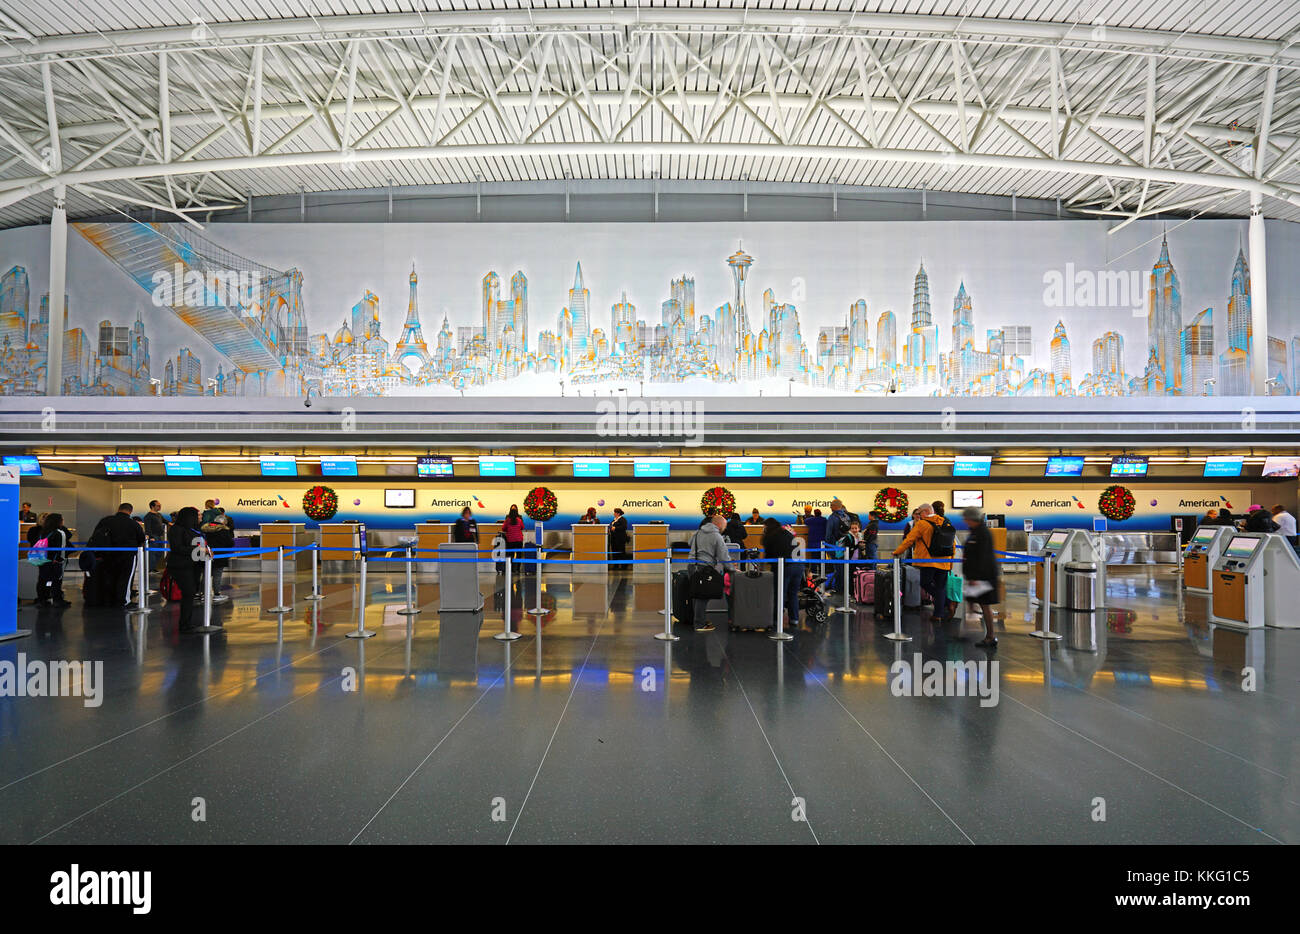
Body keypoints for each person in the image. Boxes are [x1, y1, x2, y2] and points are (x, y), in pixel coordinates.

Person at [891, 504, 951, 622]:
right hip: (944, 561)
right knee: (940, 587)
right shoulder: (945, 522)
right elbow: (952, 543)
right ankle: (939, 613)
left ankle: (946, 603)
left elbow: (909, 540)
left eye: (919, 513)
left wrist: (897, 552)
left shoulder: (922, 524)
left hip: (928, 561)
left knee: (925, 583)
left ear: (925, 512)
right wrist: (950, 562)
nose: (918, 515)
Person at [959, 507, 1000, 648]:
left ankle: (990, 637)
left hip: (983, 576)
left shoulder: (983, 533)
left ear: (971, 518)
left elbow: (983, 557)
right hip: (975, 576)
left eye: (966, 518)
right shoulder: (975, 532)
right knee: (971, 600)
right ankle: (968, 631)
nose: (964, 521)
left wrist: (976, 577)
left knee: (985, 605)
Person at [687, 513, 732, 633]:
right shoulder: (717, 536)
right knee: (703, 596)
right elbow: (724, 556)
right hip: (704, 568)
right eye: (724, 526)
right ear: (719, 525)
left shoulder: (698, 532)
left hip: (692, 566)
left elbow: (689, 543)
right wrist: (732, 569)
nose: (724, 529)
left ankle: (697, 620)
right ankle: (699, 624)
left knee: (696, 594)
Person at [167, 507, 205, 632]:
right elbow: (178, 548)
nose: (200, 517)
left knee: (190, 593)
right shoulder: (177, 530)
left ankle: (186, 623)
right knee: (188, 592)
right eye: (197, 515)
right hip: (181, 566)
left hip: (192, 565)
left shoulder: (193, 530)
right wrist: (198, 550)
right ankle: (184, 625)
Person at [100, 502, 146, 607]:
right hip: (128, 555)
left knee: (109, 576)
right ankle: (123, 601)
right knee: (125, 578)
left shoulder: (106, 521)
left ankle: (108, 599)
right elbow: (141, 538)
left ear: (118, 509)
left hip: (108, 554)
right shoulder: (133, 524)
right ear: (130, 511)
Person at [761, 517, 801, 627]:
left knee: (779, 594)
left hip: (784, 567)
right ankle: (794, 619)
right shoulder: (786, 533)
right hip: (798, 566)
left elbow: (768, 555)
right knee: (793, 594)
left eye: (764, 527)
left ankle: (776, 621)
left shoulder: (770, 537)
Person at [34, 513, 71, 607]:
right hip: (55, 561)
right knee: (56, 580)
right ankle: (57, 600)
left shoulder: (43, 532)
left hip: (42, 559)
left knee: (43, 579)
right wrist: (58, 560)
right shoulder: (59, 532)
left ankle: (42, 599)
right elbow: (60, 548)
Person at [201, 513, 235, 601]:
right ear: (223, 523)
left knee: (206, 574)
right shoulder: (223, 530)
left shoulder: (205, 529)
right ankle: (216, 594)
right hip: (220, 555)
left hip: (206, 553)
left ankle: (203, 594)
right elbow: (230, 543)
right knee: (217, 575)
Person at [143, 499, 169, 573]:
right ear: (152, 506)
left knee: (159, 553)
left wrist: (171, 524)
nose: (160, 507)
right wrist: (151, 537)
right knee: (152, 553)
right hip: (153, 537)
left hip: (159, 536)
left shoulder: (159, 515)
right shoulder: (148, 516)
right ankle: (150, 569)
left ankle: (153, 567)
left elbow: (165, 521)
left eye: (160, 505)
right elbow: (147, 528)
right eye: (158, 505)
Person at [500, 505, 526, 572]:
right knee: (518, 555)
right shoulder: (519, 520)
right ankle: (517, 569)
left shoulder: (507, 520)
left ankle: (510, 569)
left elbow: (503, 528)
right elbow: (522, 527)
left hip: (510, 540)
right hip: (519, 540)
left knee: (510, 555)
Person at [805, 507, 828, 571]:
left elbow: (805, 521)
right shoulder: (824, 520)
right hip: (822, 543)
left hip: (813, 543)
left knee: (814, 560)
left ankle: (814, 574)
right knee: (822, 559)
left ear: (814, 514)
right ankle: (822, 573)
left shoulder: (810, 520)